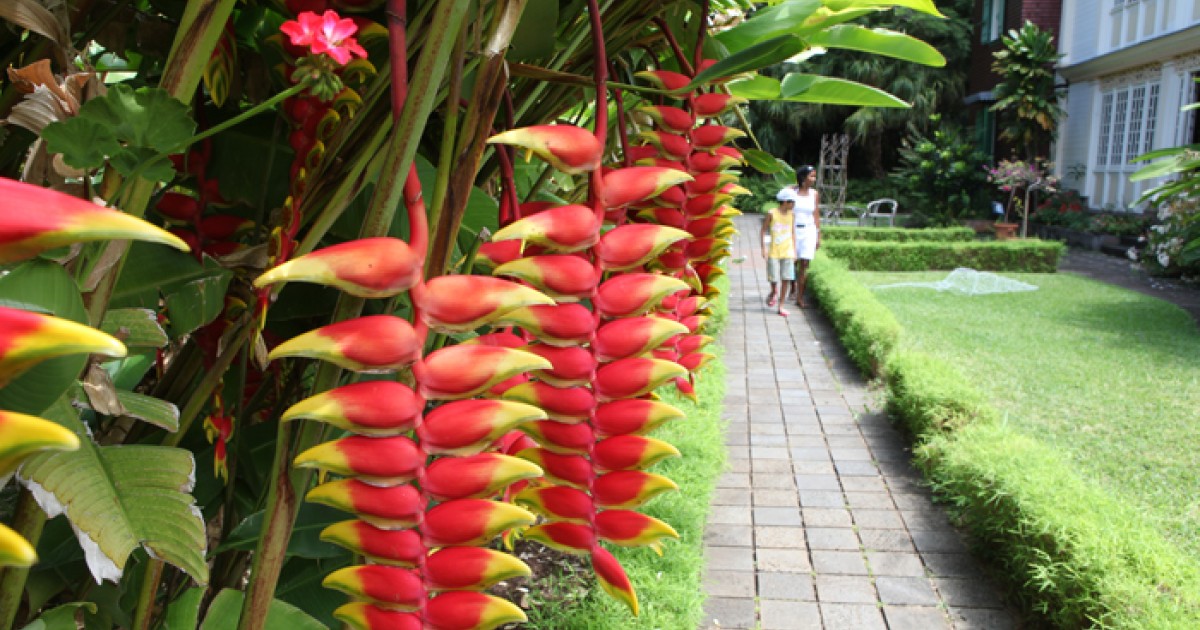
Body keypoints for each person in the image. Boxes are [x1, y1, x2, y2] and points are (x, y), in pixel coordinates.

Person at [761, 188, 798, 317]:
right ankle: (773, 291)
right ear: (784, 202)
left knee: (786, 278)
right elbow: (763, 230)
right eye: (791, 202)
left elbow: (793, 233)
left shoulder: (792, 215)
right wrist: (763, 248)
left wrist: (795, 251)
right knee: (773, 277)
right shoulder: (772, 213)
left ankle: (781, 306)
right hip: (774, 251)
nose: (793, 204)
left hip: (787, 251)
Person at [790, 165, 821, 308]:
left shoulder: (814, 194)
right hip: (794, 230)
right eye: (811, 176)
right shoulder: (792, 192)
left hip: (809, 230)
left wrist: (818, 235)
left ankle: (800, 297)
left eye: (814, 176)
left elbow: (816, 214)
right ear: (803, 177)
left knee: (804, 264)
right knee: (792, 262)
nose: (813, 179)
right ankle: (792, 286)